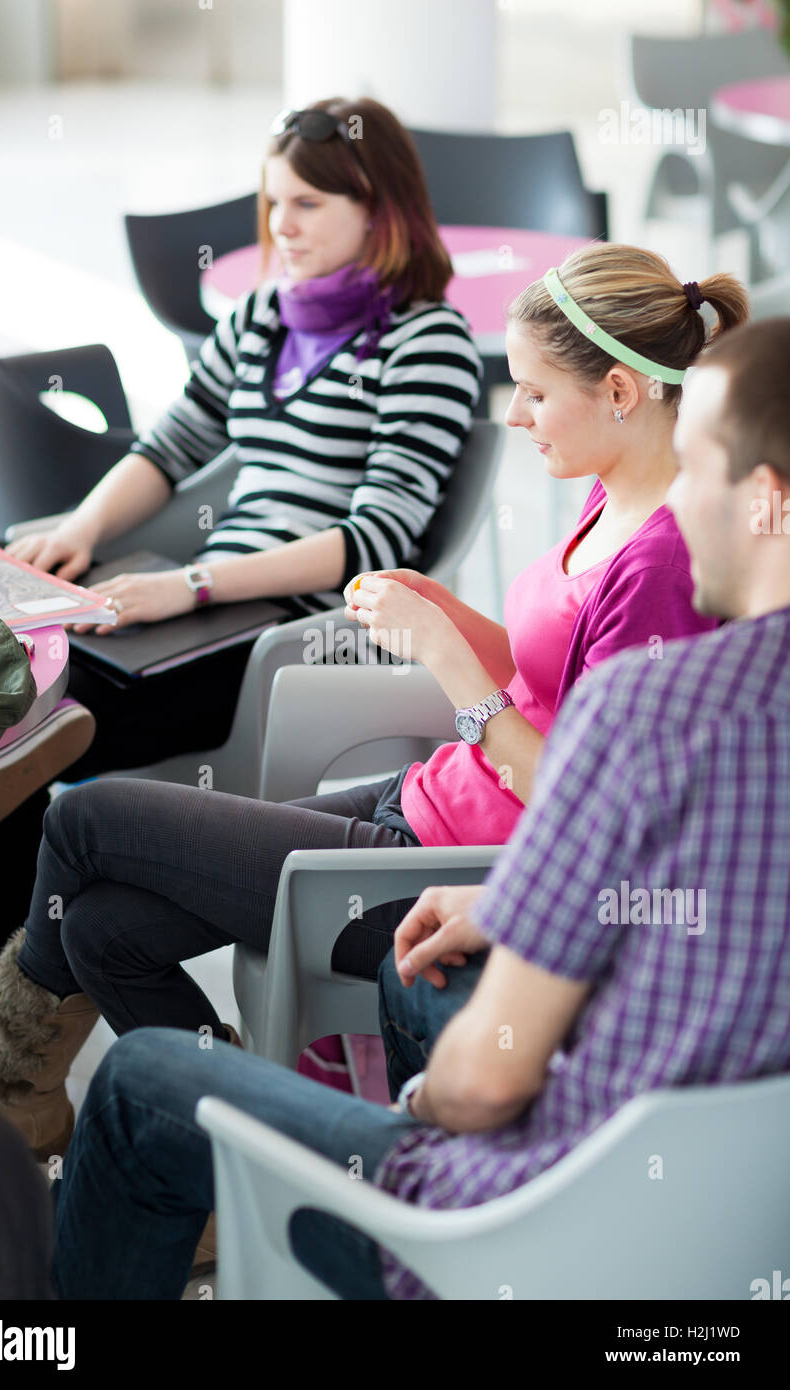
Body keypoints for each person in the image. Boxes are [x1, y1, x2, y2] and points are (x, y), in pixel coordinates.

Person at [50, 315, 790, 1300]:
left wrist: (418, 1100)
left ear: (764, 502)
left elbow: (482, 1085)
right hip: (722, 1250)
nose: (675, 503)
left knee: (140, 1077)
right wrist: (526, 903)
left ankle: (32, 1109)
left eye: (697, 467)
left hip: (522, 1229)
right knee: (106, 924)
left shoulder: (656, 707)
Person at [0, 242, 744, 1161]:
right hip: (424, 802)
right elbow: (552, 686)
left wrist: (445, 663)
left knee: (87, 822)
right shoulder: (609, 493)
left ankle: (9, 1094)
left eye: (537, 392)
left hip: (450, 871)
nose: (516, 414)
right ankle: (230, 1166)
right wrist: (452, 619)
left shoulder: (660, 563)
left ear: (621, 392)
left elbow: (583, 811)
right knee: (102, 931)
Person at [0, 95, 481, 985]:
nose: (281, 225)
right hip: (196, 601)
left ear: (379, 209)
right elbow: (172, 445)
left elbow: (375, 538)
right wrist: (81, 532)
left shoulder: (426, 341)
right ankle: (9, 973)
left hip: (288, 629)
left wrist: (195, 584)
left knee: (16, 729)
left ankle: (14, 996)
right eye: (274, 202)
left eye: (308, 203)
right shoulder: (266, 315)